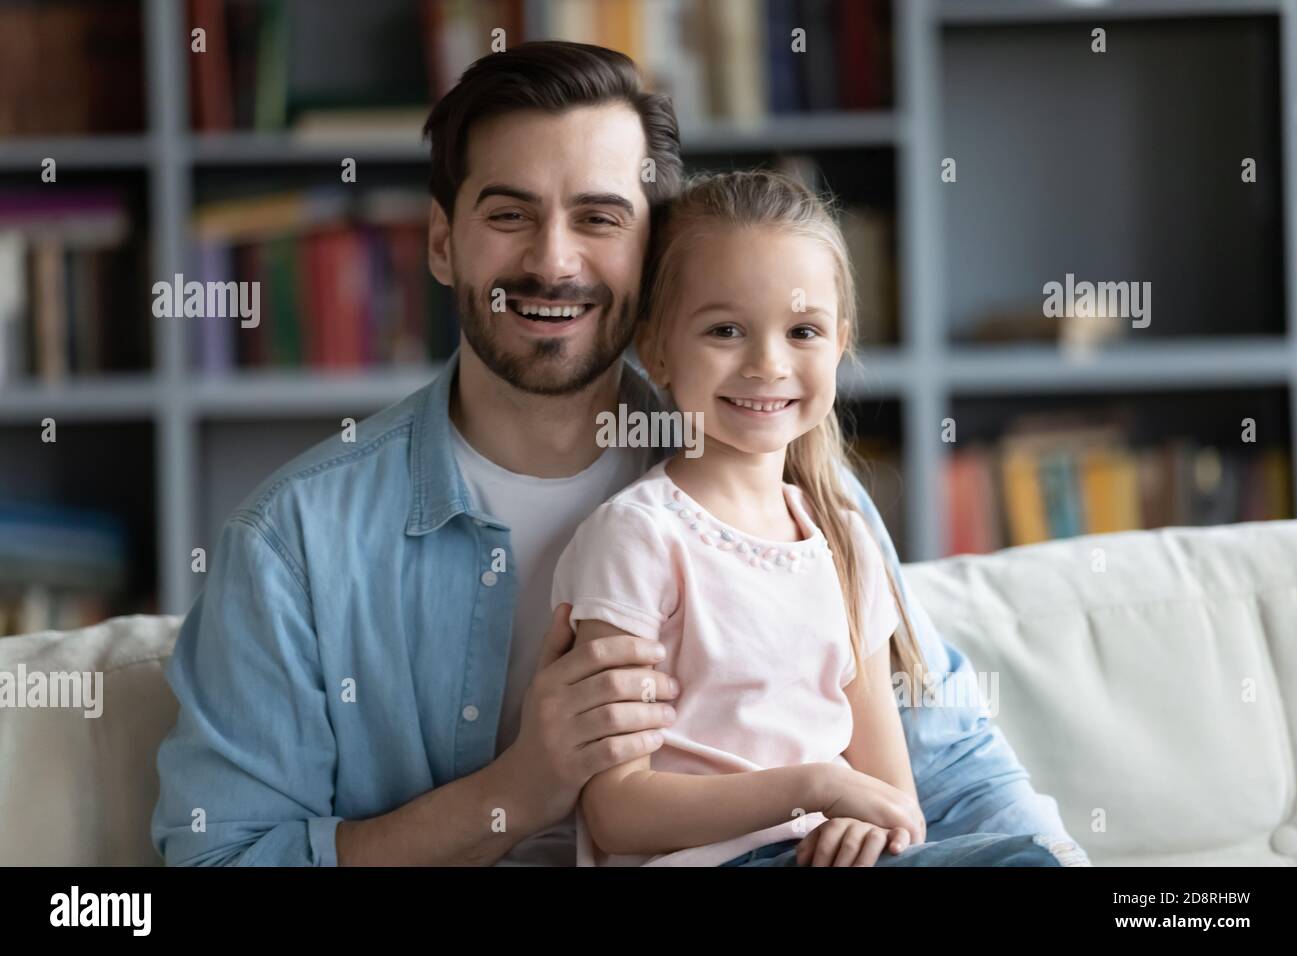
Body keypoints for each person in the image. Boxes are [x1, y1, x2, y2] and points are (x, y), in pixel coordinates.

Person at [151, 41, 1084, 867]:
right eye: (509, 214)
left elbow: (952, 763)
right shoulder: (292, 544)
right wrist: (517, 789)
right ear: (442, 242)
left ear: (654, 256)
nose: (554, 262)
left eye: (599, 218)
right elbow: (219, 860)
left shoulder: (786, 479)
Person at [553, 169, 1087, 867]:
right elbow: (615, 812)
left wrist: (869, 826)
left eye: (801, 331)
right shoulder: (638, 537)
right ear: (656, 350)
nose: (768, 364)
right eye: (725, 330)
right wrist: (816, 788)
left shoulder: (844, 540)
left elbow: (896, 799)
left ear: (838, 345)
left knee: (1037, 858)